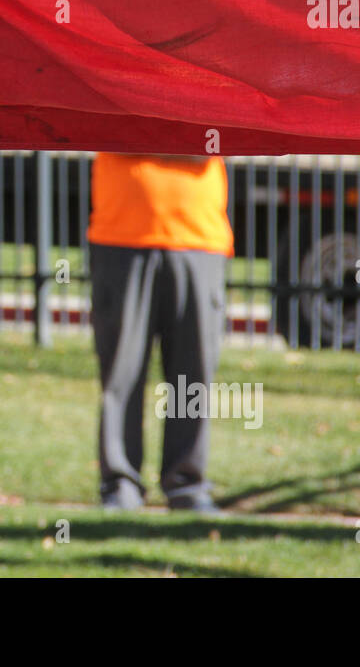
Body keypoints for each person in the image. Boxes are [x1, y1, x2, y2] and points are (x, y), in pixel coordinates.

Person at [87, 153, 233, 513]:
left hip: (197, 235)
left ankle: (186, 484)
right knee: (121, 372)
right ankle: (120, 483)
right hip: (121, 233)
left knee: (192, 376)